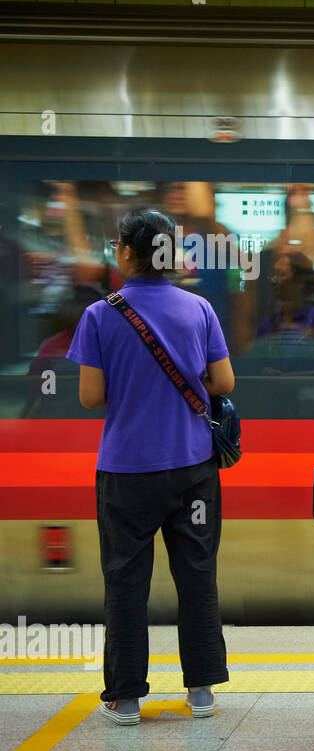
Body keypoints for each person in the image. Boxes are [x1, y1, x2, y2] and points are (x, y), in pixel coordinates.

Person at [66, 208, 235, 725]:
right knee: (198, 576)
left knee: (124, 581)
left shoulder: (100, 315)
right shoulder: (199, 308)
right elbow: (223, 383)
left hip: (126, 472)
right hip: (194, 469)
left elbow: (91, 397)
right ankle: (202, 692)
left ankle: (126, 698)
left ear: (124, 251)